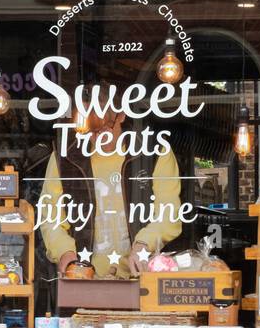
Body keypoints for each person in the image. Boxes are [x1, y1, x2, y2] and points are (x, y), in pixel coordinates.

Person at [38, 104, 184, 279]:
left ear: (121, 115)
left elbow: (169, 215)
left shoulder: (154, 151)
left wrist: (144, 243)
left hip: (144, 279)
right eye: (92, 131)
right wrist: (65, 253)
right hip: (84, 282)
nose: (99, 137)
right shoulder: (65, 158)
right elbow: (50, 217)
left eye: (106, 127)